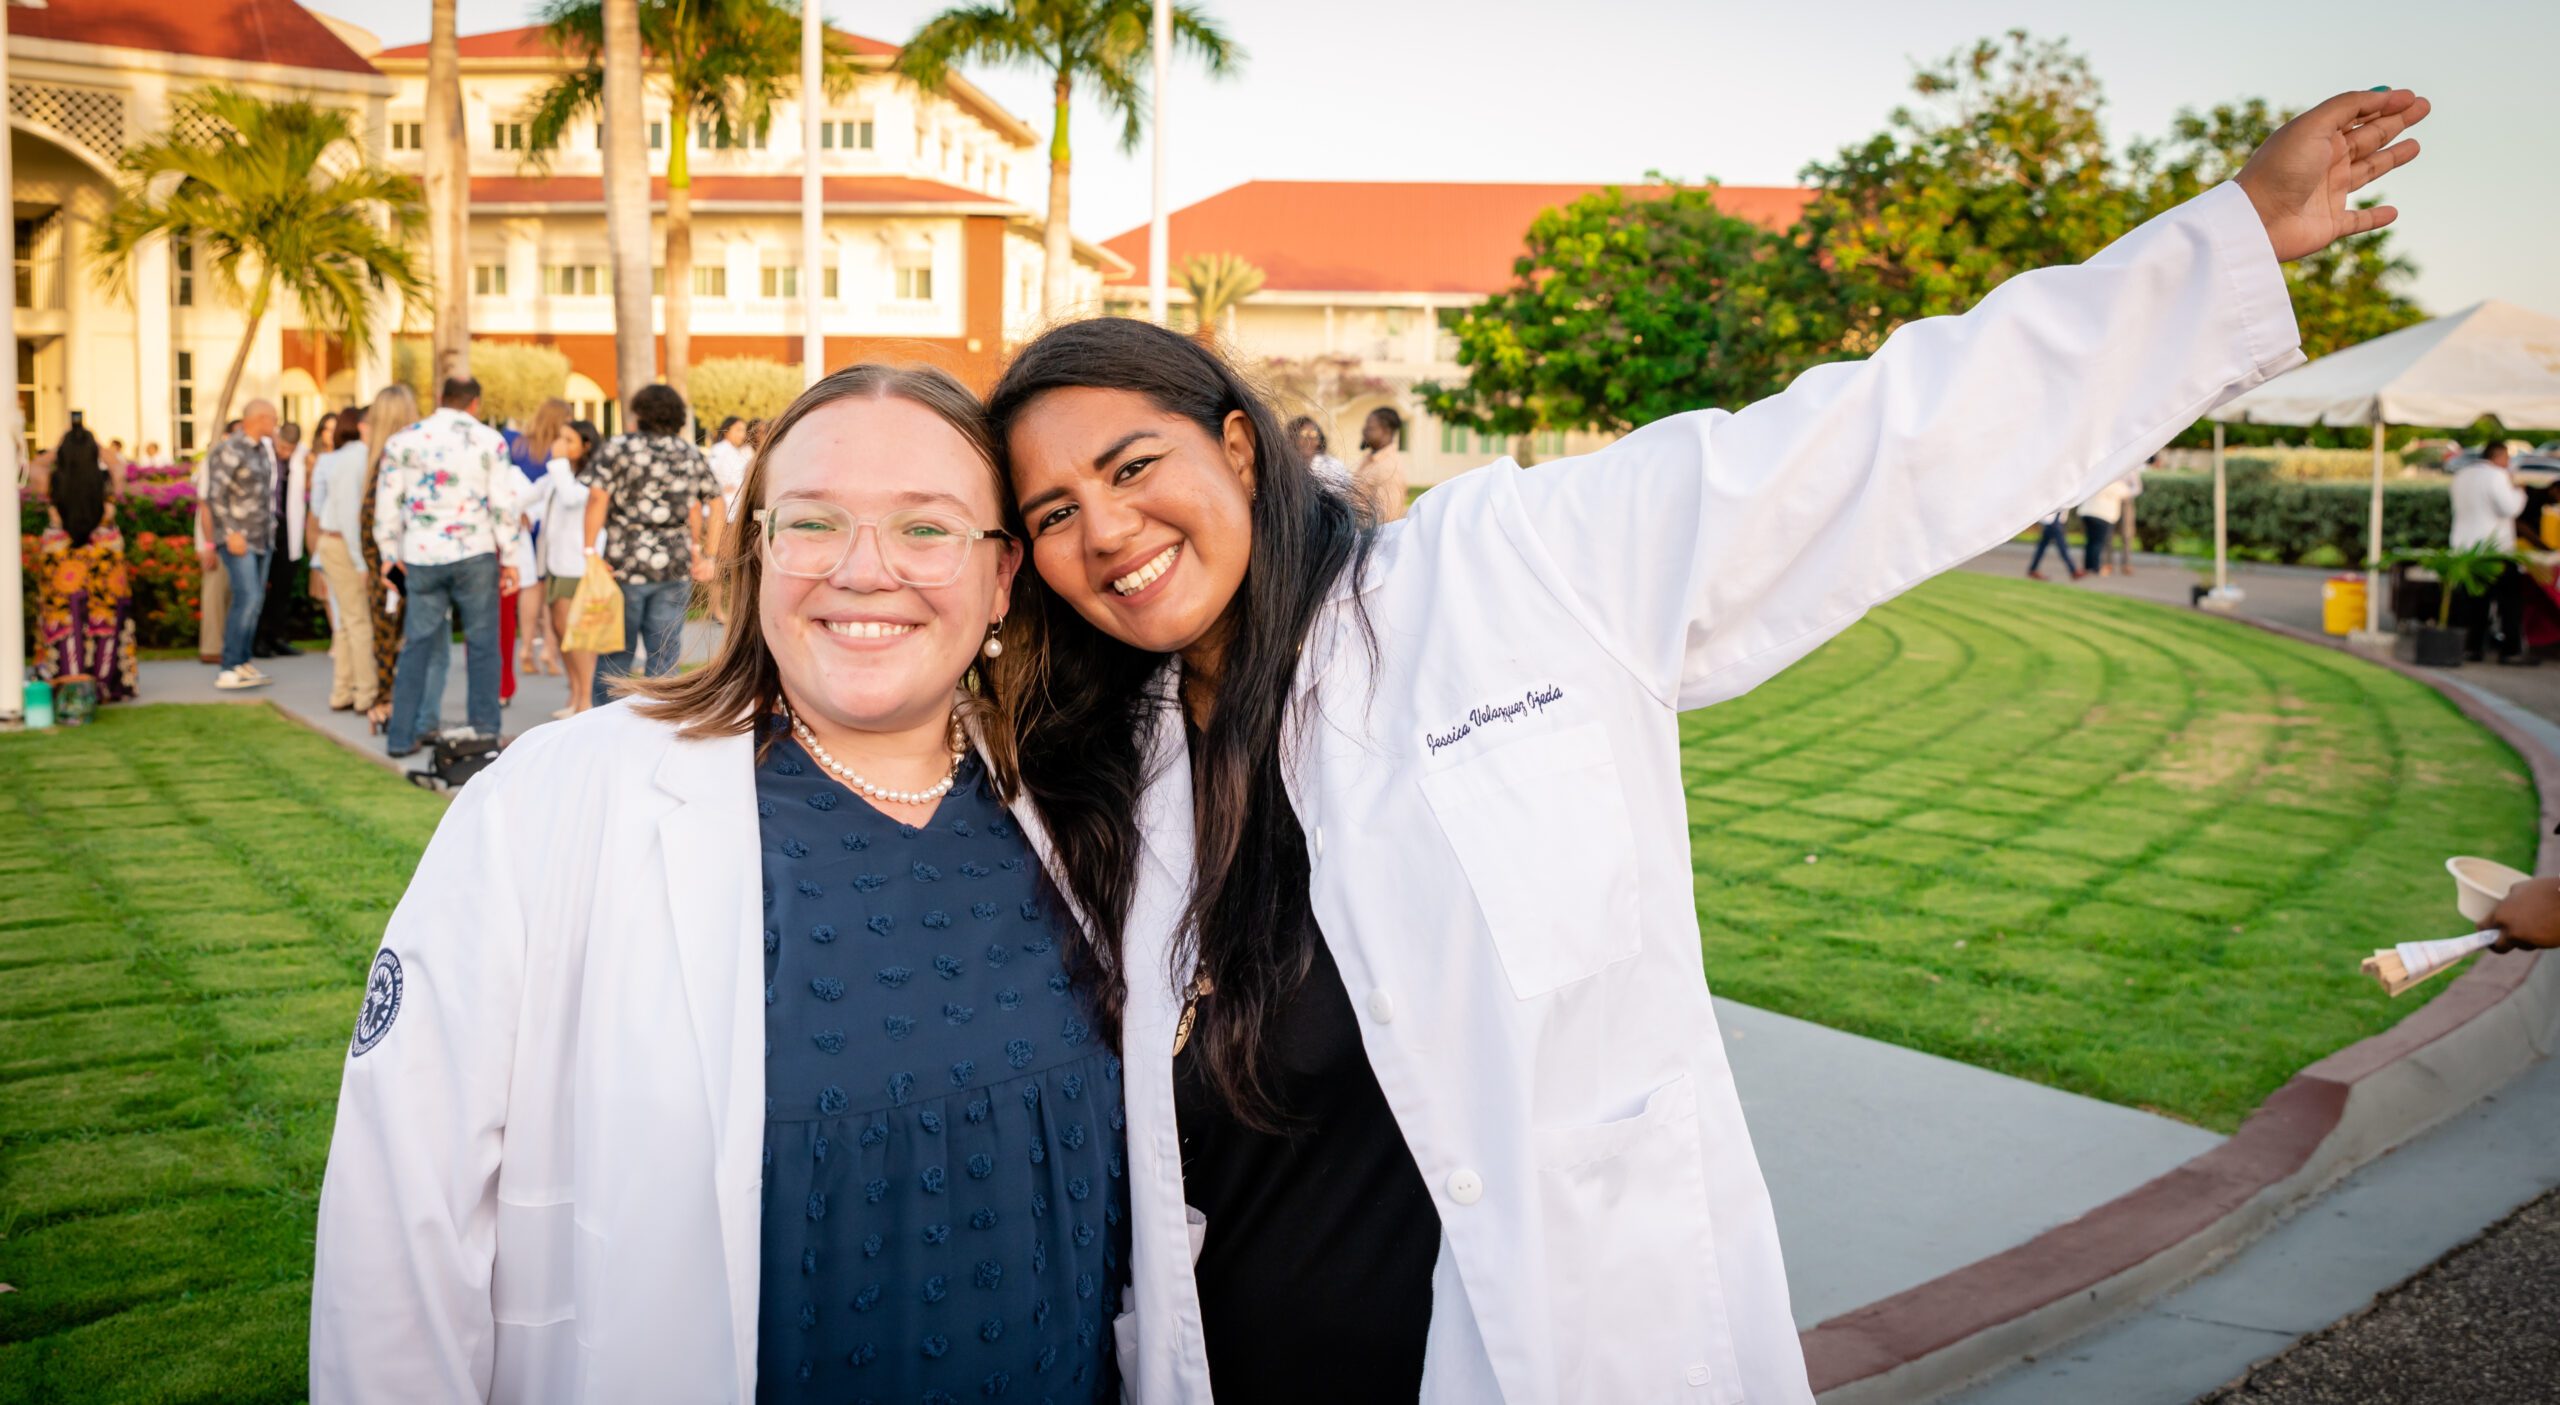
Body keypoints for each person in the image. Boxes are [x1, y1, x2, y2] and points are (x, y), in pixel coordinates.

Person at [983, 87, 2426, 1402]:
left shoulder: (1508, 574)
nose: (1104, 530)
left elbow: (1874, 441)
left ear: (1237, 448)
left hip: (1558, 1350)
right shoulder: (1111, 776)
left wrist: (2215, 247)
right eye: (1051, 513)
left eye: (1131, 467)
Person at [311, 363, 1130, 1403]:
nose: (864, 569)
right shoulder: (551, 804)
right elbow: (399, 1226)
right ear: (757, 550)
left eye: (927, 529)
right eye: (813, 522)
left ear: (1002, 574)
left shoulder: (1081, 812)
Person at [375, 376, 522, 757]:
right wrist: (511, 558)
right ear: (475, 403)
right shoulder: (490, 440)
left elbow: (387, 503)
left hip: (422, 554)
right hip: (475, 551)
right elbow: (504, 505)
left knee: (417, 644)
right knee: (483, 643)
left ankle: (401, 736)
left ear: (440, 399)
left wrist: (388, 556)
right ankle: (485, 732)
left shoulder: (403, 440)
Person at [583, 382, 719, 706]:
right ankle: (659, 730)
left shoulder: (618, 448)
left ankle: (603, 726)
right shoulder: (687, 452)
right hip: (674, 563)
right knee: (665, 655)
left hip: (623, 561)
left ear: (640, 414)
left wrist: (589, 549)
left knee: (615, 653)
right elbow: (717, 500)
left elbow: (597, 497)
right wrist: (708, 554)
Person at [32, 424, 137, 702]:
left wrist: (64, 448)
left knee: (65, 621)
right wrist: (94, 446)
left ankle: (66, 679)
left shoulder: (54, 482)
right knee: (106, 620)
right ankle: (106, 682)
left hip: (63, 563)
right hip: (103, 563)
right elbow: (119, 467)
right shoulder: (104, 482)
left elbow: (35, 467)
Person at [355, 384, 421, 734]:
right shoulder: (405, 459)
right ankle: (393, 705)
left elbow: (369, 520)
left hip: (387, 561)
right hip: (406, 560)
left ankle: (386, 703)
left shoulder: (383, 460)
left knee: (388, 634)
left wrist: (375, 560)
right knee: (407, 635)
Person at [204, 399, 282, 691]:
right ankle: (228, 666)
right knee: (246, 597)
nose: (275, 423)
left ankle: (242, 661)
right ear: (259, 418)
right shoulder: (229, 450)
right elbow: (216, 495)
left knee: (255, 601)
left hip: (262, 538)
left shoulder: (262, 449)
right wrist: (231, 533)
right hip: (239, 539)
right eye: (273, 418)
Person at [307, 404, 379, 714]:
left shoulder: (338, 457)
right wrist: (361, 561)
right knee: (358, 620)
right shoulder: (357, 457)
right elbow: (351, 515)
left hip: (334, 542)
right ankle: (365, 693)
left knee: (349, 622)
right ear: (364, 425)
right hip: (343, 544)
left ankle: (343, 691)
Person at [536, 418, 601, 718]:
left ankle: (586, 698)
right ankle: (575, 692)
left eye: (569, 440)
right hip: (556, 563)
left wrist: (559, 463)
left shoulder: (592, 476)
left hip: (577, 564)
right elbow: (535, 497)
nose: (560, 445)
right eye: (560, 438)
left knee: (578, 634)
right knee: (562, 632)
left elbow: (572, 498)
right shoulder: (560, 474)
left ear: (586, 445)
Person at [2450, 440, 2531, 663]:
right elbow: (2510, 508)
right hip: (2495, 550)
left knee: (2476, 602)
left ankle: (2472, 647)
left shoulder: (2462, 475)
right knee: (2510, 602)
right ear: (2498, 456)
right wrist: (2519, 492)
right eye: (2507, 458)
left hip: (2466, 549)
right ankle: (2511, 650)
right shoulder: (2496, 476)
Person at [514, 397, 572, 681]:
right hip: (553, 522)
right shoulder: (561, 450)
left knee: (530, 588)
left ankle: (526, 647)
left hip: (524, 521)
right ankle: (550, 649)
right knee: (552, 592)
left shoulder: (519, 447)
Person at [254, 418, 310, 658]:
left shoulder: (302, 458)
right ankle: (257, 640)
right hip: (265, 529)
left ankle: (277, 637)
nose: (284, 453)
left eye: (290, 449)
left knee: (282, 587)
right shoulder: (262, 452)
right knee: (259, 588)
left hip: (289, 529)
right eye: (282, 448)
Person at [2078, 467, 2141, 577]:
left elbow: (2137, 488)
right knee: (2103, 539)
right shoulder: (2110, 474)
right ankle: (2103, 564)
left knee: (2126, 535)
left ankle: (2125, 563)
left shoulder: (2130, 469)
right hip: (2104, 511)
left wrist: (2124, 494)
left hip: (2119, 503)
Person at [1353, 405, 1408, 523]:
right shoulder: (1370, 459)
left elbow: (1388, 518)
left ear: (1386, 431)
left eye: (1370, 428)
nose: (1364, 431)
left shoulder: (1390, 467)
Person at [1286, 415, 1352, 493]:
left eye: (1314, 435)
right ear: (1292, 438)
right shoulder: (1285, 465)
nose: (1309, 440)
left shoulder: (1333, 467)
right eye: (1304, 435)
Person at [2024, 507, 2081, 581]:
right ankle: (2073, 570)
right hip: (2053, 520)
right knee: (2062, 546)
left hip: (2055, 519)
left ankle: (2033, 569)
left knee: (2042, 546)